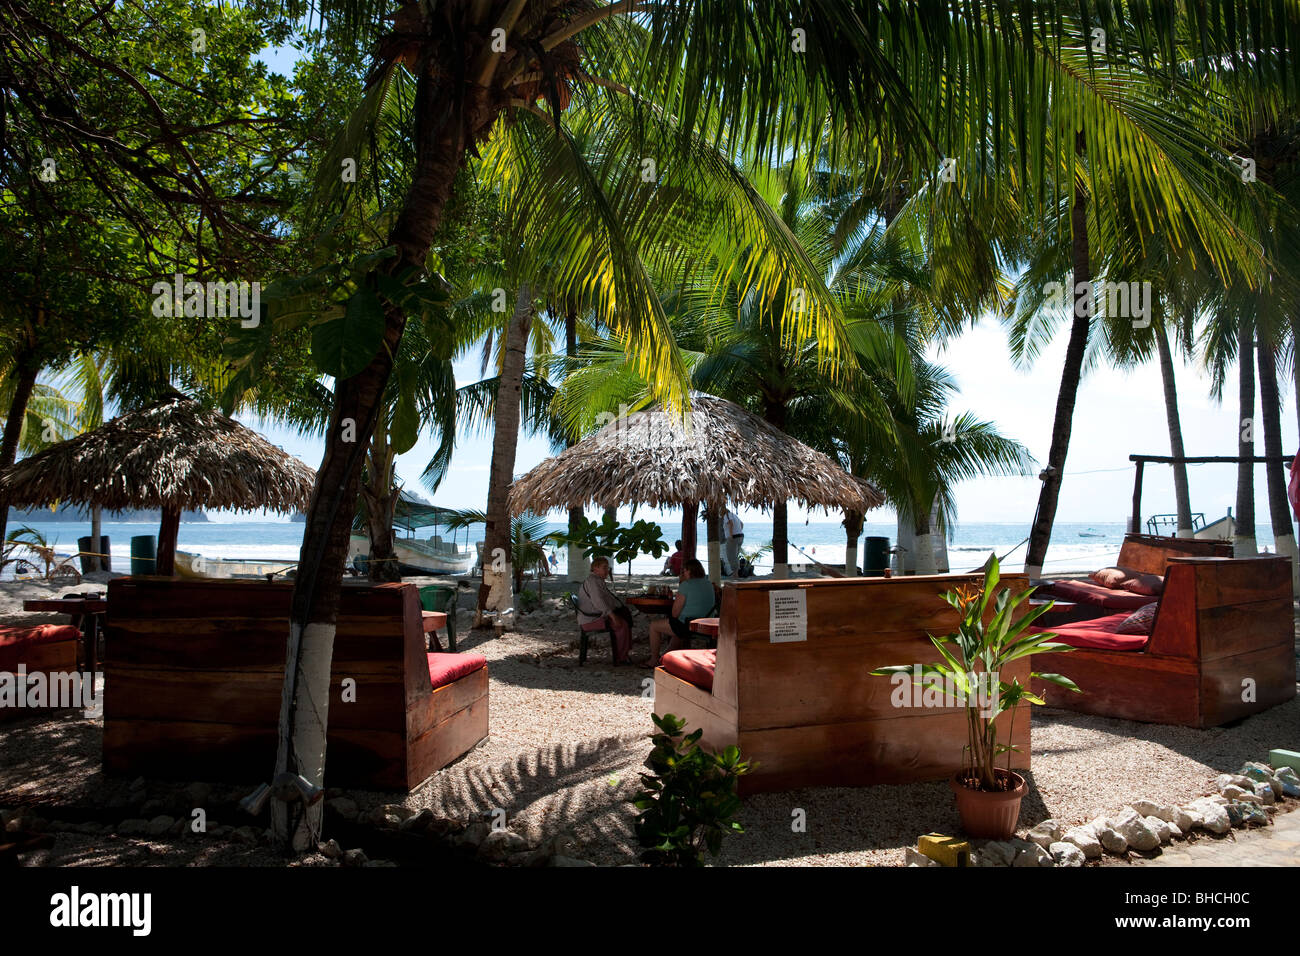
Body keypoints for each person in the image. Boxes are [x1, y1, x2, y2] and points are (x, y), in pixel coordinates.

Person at [645, 558, 715, 666]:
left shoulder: (686, 585)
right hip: (706, 623)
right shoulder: (708, 583)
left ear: (689, 571)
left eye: (684, 571)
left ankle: (654, 659)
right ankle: (665, 657)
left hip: (689, 625)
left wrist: (682, 584)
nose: (683, 573)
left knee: (654, 626)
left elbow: (675, 613)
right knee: (676, 631)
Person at [576, 556, 633, 664]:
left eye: (608, 568)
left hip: (594, 616)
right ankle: (621, 657)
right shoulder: (593, 581)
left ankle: (624, 653)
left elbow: (606, 599)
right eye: (605, 568)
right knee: (621, 624)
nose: (607, 570)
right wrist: (612, 615)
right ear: (595, 569)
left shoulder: (597, 580)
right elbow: (599, 602)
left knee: (625, 617)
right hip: (590, 620)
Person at [722, 509, 744, 577]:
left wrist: (731, 535)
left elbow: (731, 523)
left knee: (731, 556)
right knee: (735, 555)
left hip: (733, 537)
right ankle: (736, 573)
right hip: (740, 536)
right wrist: (739, 530)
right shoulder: (734, 515)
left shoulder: (726, 515)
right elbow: (742, 523)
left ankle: (735, 574)